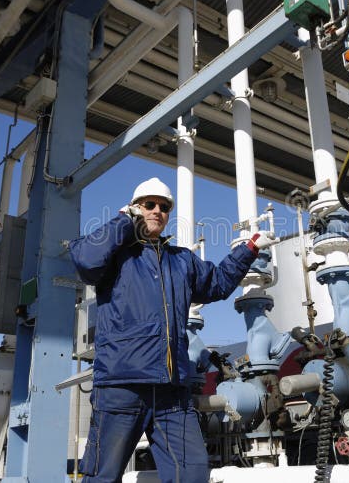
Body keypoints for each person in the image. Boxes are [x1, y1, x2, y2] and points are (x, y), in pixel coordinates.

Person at [69, 177, 276, 483]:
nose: (157, 211)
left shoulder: (182, 261)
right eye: (149, 204)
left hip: (171, 392)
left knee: (191, 475)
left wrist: (248, 249)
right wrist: (123, 221)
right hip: (121, 387)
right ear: (134, 208)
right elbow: (85, 260)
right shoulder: (116, 255)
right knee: (101, 477)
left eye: (164, 207)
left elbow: (217, 283)